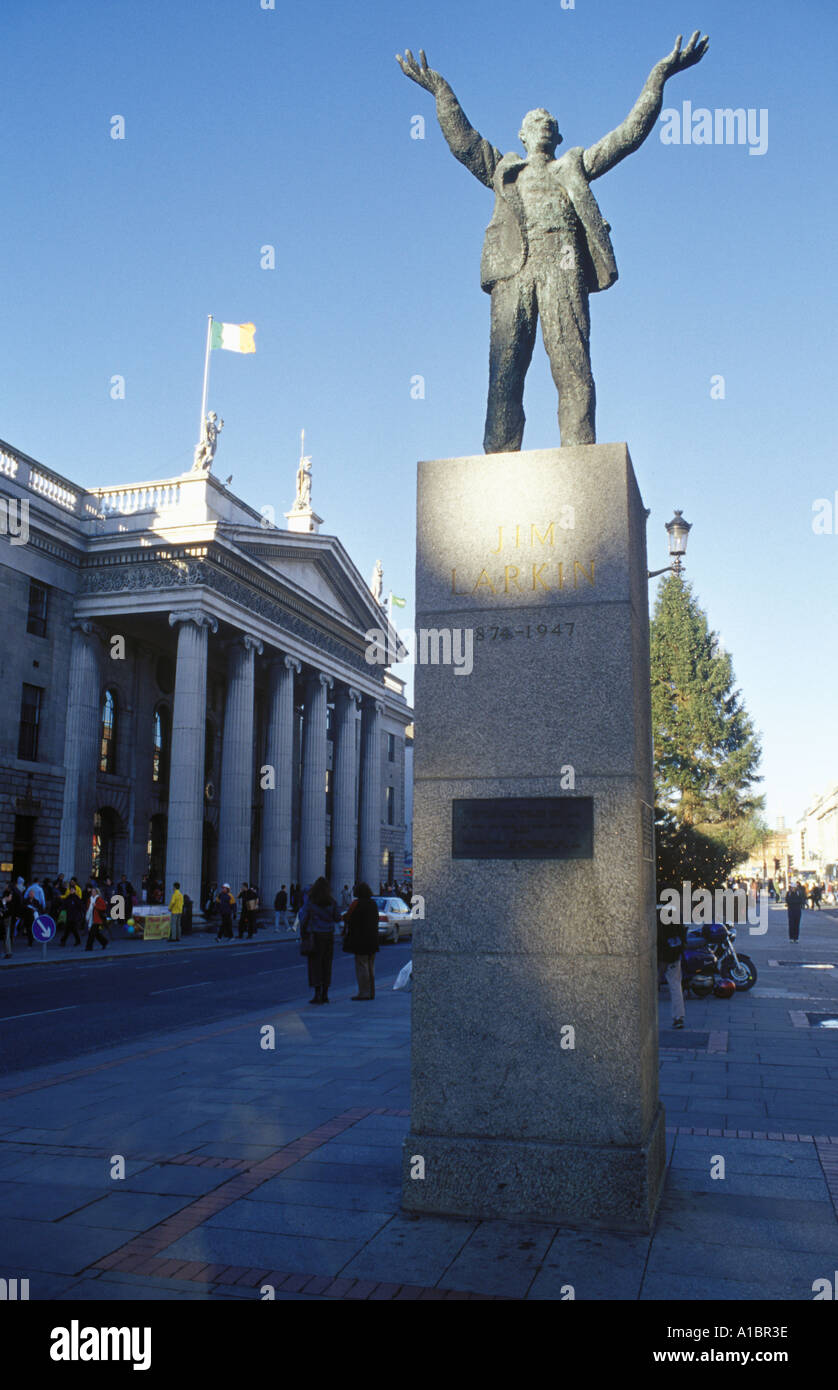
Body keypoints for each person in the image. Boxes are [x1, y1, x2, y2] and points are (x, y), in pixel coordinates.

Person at [298, 877, 341, 1005]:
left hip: (315, 935)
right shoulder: (332, 902)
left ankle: (317, 994)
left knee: (315, 965)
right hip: (328, 936)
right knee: (327, 964)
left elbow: (303, 917)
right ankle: (325, 994)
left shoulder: (311, 902)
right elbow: (337, 918)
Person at [342, 883, 380, 1001]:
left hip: (360, 939)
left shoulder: (356, 903)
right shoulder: (373, 904)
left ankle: (364, 992)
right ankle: (371, 992)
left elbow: (348, 917)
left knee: (362, 966)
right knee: (370, 966)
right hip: (372, 939)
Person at [656, 904, 686, 1029]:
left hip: (664, 955)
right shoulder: (676, 917)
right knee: (675, 986)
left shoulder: (659, 921)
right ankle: (678, 1017)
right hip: (674, 954)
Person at [84, 884, 109, 951]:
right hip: (91, 918)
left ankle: (88, 947)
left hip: (97, 919)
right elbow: (87, 908)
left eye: (94, 891)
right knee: (96, 933)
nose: (93, 893)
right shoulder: (89, 899)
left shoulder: (99, 899)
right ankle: (104, 942)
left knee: (91, 934)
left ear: (97, 892)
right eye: (92, 891)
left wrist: (96, 906)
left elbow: (103, 908)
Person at [1, 885, 14, 959]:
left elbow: (9, 913)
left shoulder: (10, 904)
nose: (11, 898)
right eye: (10, 896)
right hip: (2, 922)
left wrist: (3, 914)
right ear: (6, 896)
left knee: (7, 937)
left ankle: (8, 952)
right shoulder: (1, 902)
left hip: (7, 922)